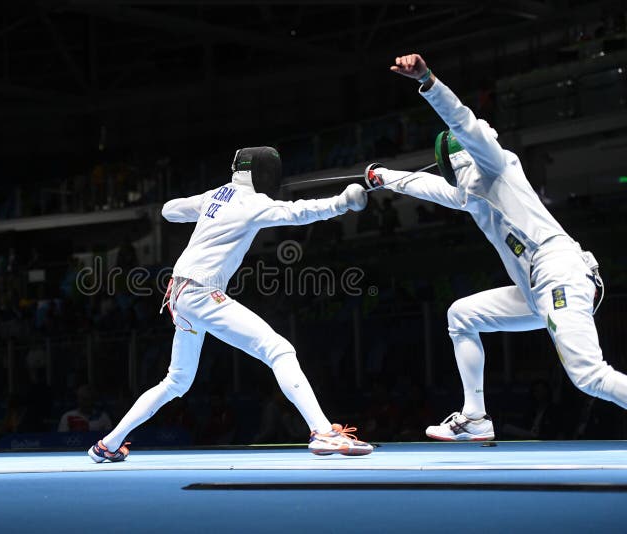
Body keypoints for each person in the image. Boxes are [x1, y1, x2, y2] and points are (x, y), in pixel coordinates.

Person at [364, 53, 626, 441]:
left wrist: (428, 81)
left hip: (559, 272)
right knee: (462, 315)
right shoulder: (471, 192)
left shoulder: (495, 164)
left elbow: (461, 121)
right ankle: (475, 418)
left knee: (589, 376)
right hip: (535, 289)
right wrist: (382, 176)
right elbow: (425, 186)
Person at [88, 146, 372, 462]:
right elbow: (298, 212)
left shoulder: (215, 195)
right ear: (263, 172)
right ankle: (322, 432)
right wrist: (341, 203)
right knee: (279, 350)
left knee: (176, 381)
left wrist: (204, 208)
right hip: (201, 293)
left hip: (179, 295)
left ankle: (107, 445)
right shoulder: (253, 203)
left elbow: (169, 210)